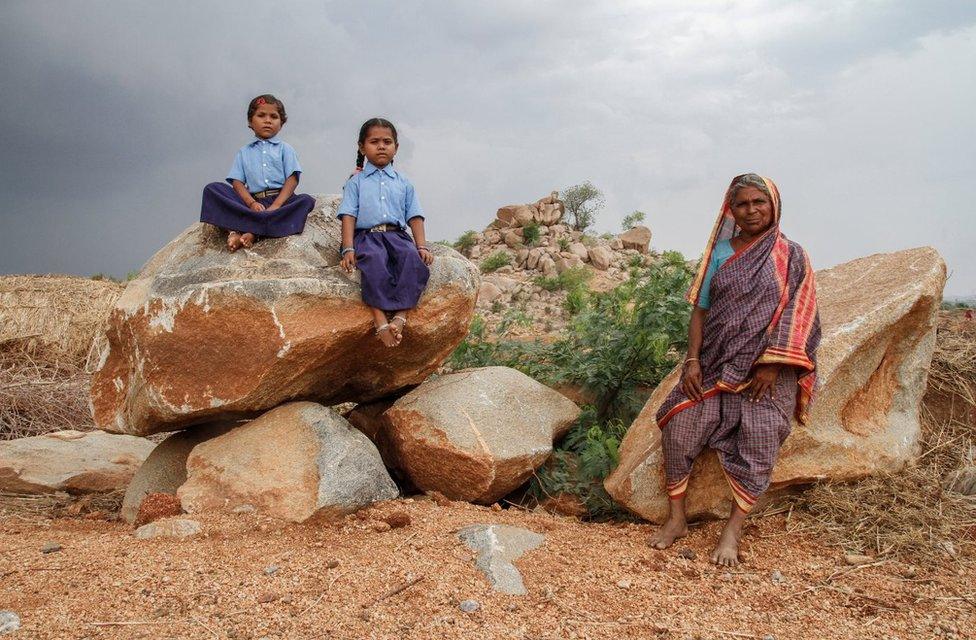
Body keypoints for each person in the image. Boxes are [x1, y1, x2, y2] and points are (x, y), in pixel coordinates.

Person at [649, 174, 821, 566]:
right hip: (714, 364)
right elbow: (701, 310)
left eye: (759, 202)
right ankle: (676, 518)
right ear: (731, 210)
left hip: (768, 373)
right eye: (742, 204)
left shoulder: (791, 256)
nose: (751, 210)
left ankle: (733, 528)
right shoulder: (721, 253)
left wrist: (772, 365)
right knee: (679, 424)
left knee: (761, 435)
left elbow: (800, 313)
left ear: (773, 205)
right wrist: (692, 360)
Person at [337, 118, 433, 347]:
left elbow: (415, 217)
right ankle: (380, 319)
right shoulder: (356, 182)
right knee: (374, 263)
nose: (381, 146)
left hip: (397, 236)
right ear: (362, 147)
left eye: (387, 142)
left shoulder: (404, 183)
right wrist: (348, 248)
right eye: (374, 141)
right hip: (367, 236)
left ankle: (401, 316)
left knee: (412, 262)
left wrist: (421, 246)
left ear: (396, 148)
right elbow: (348, 215)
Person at [200, 94, 315, 251]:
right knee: (212, 189)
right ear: (250, 122)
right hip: (252, 203)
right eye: (261, 115)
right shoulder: (244, 152)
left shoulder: (285, 149)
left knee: (306, 201)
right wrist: (251, 203)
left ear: (281, 123)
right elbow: (237, 182)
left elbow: (293, 179)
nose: (267, 120)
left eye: (274, 117)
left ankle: (249, 230)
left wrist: (276, 205)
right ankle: (255, 228)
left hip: (280, 201)